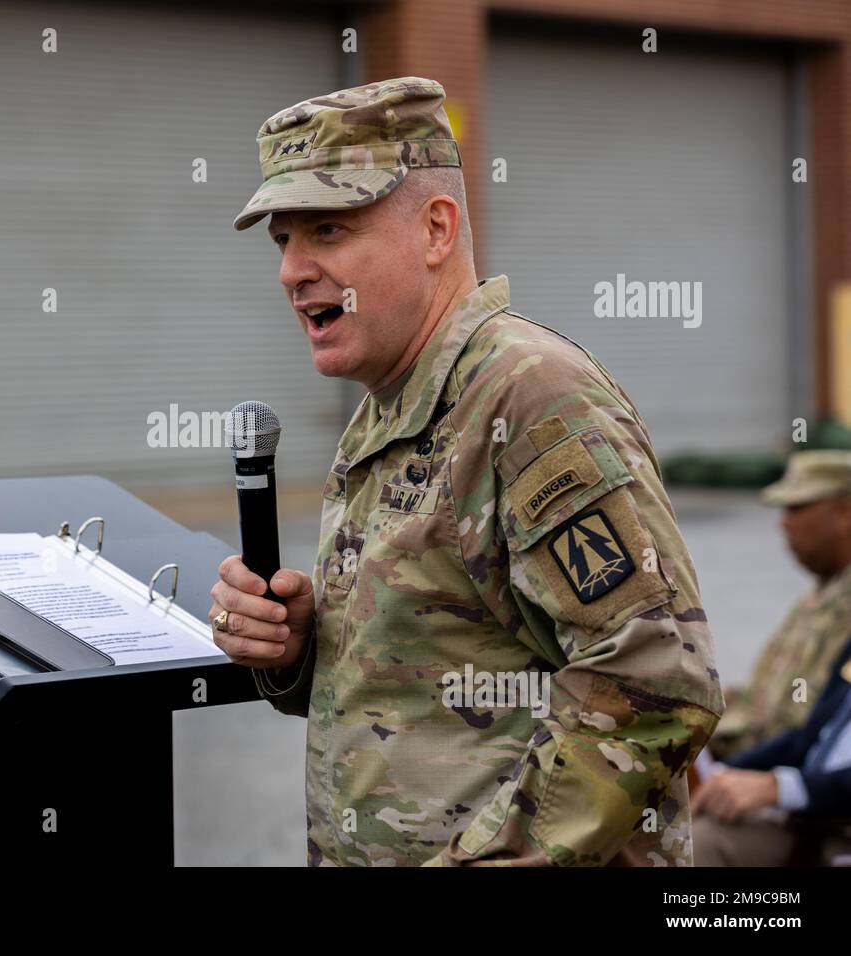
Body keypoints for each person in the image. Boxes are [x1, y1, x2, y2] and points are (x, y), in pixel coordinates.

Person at [207, 76, 722, 866]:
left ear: (436, 229)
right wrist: (300, 647)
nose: (292, 269)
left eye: (329, 231)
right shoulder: (391, 405)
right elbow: (434, 664)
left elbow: (656, 677)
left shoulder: (530, 396)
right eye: (284, 240)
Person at [708, 451, 851, 760]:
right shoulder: (821, 596)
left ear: (845, 512)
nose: (783, 524)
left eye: (796, 508)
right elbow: (764, 705)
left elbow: (813, 730)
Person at [692, 637, 851, 865]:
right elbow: (809, 737)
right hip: (809, 816)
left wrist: (782, 787)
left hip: (838, 825)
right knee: (698, 840)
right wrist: (721, 773)